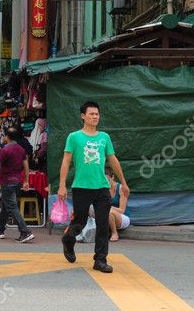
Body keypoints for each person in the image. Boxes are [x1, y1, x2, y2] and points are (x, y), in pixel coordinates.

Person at [57, 101, 129, 274]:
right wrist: (61, 185)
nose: (95, 117)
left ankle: (100, 260)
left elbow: (113, 159)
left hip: (102, 187)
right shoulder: (74, 137)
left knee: (103, 224)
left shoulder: (104, 137)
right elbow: (66, 161)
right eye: (91, 114)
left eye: (97, 114)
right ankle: (68, 239)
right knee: (79, 222)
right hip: (81, 186)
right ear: (83, 116)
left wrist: (124, 183)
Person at [0, 127, 34, 243]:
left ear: (7, 137)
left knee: (11, 206)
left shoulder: (5, 150)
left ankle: (25, 231)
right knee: (5, 206)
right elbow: (26, 166)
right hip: (17, 181)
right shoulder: (21, 149)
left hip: (7, 182)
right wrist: (26, 181)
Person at [107, 169, 130, 242]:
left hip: (123, 217)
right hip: (107, 215)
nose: (106, 182)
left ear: (112, 177)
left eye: (108, 180)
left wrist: (109, 208)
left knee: (108, 211)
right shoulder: (103, 188)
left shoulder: (121, 188)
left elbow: (122, 210)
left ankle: (114, 233)